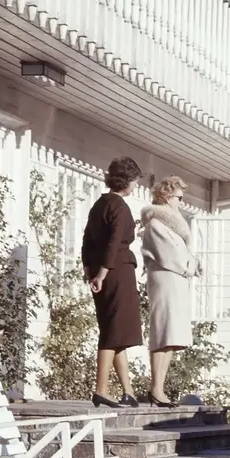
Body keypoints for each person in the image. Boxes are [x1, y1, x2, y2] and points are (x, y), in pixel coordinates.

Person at [81, 156, 144, 408]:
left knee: (115, 330)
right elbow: (115, 242)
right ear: (125, 181)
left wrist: (90, 270)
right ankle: (101, 390)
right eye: (134, 181)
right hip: (116, 272)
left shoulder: (99, 205)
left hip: (102, 271)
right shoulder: (119, 207)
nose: (134, 186)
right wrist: (102, 273)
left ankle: (128, 392)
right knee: (111, 332)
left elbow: (87, 241)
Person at [140, 176, 200, 406]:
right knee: (163, 331)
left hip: (176, 281)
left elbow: (182, 253)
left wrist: (191, 262)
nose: (180, 202)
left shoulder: (173, 226)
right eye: (178, 197)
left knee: (172, 335)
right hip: (165, 279)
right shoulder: (155, 224)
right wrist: (190, 265)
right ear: (165, 196)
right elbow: (170, 256)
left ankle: (159, 388)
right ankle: (156, 388)